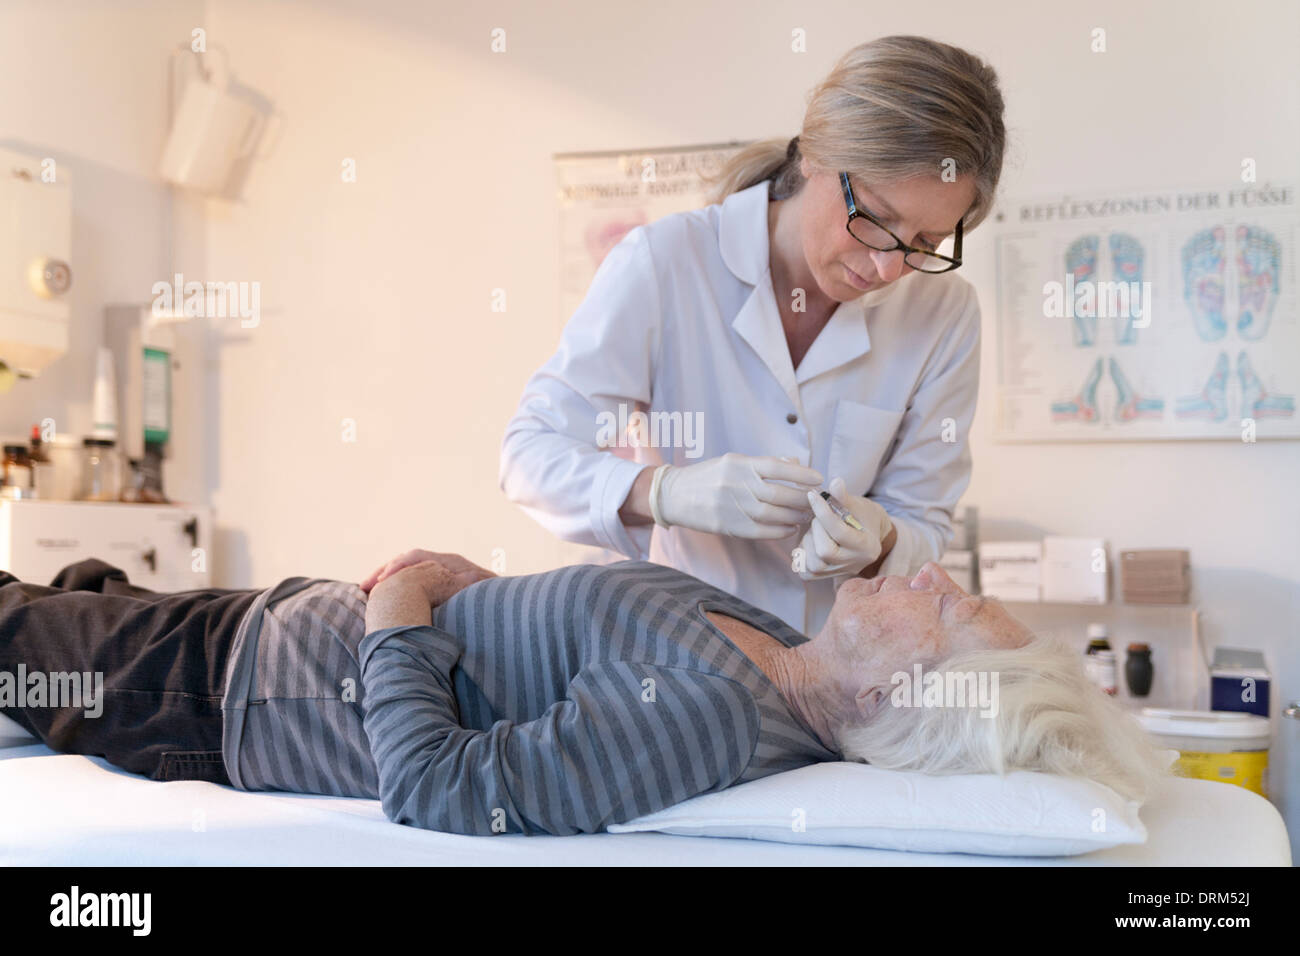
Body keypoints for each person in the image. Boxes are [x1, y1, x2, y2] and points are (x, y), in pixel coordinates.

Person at [0, 551, 1164, 837]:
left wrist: (402, 611)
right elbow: (548, 649)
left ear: (911, 686)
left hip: (229, 689)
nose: (927, 573)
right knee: (72, 588)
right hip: (273, 621)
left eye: (947, 606)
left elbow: (435, 785)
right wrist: (469, 582)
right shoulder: (770, 646)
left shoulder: (706, 715)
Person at [500, 35, 1007, 636]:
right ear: (815, 156)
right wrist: (665, 492)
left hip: (837, 670)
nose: (889, 270)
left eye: (927, 242)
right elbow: (530, 455)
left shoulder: (943, 312)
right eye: (875, 220)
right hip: (681, 656)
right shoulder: (667, 263)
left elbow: (923, 520)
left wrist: (881, 536)